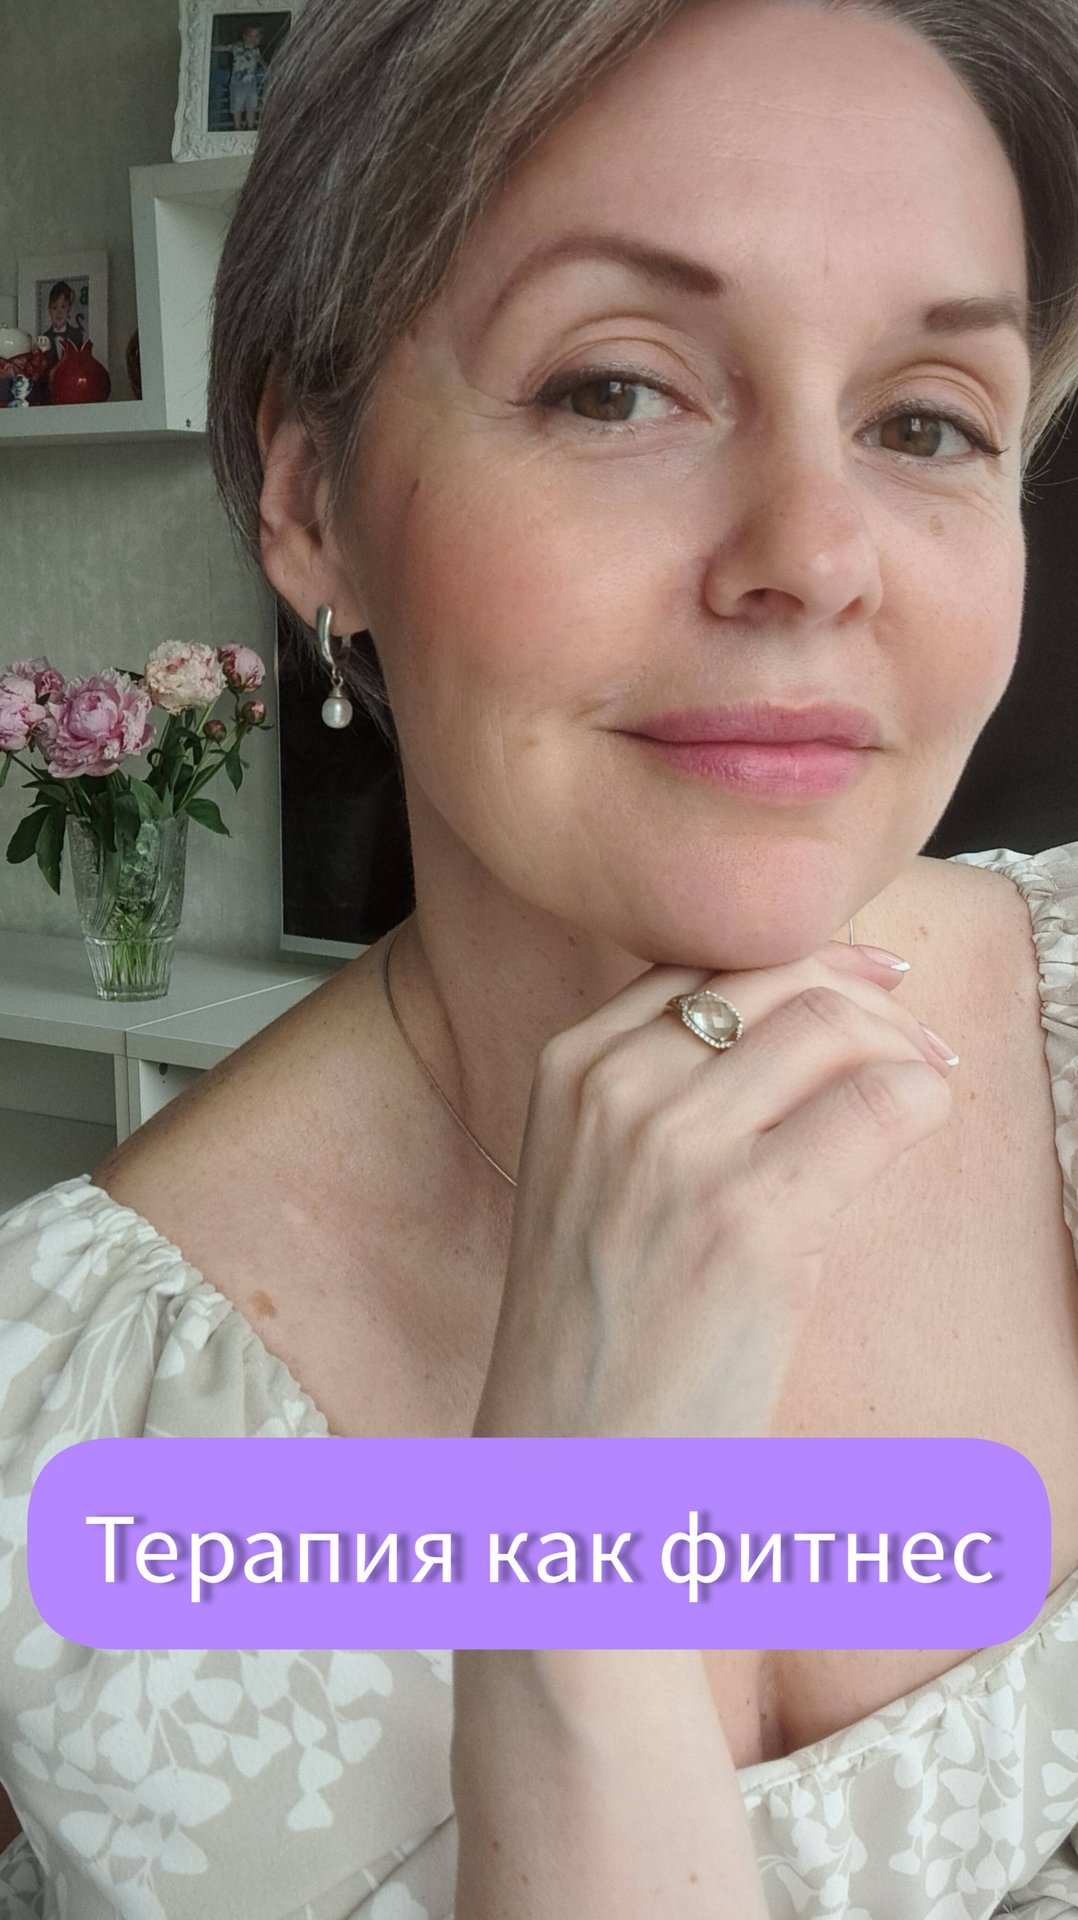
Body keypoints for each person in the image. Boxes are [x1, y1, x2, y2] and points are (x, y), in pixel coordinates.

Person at [2, 0, 1078, 1911]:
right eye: (614, 388)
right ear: (310, 503)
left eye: (925, 421)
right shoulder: (62, 1420)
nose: (815, 553)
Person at [39, 280, 85, 371]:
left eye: (63, 307)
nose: (59, 312)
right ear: (49, 310)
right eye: (54, 307)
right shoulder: (44, 338)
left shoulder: (77, 336)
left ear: (69, 309)